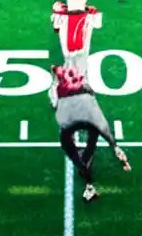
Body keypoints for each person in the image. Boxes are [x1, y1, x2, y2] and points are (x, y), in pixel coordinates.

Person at [50, 65, 131, 203]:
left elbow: (55, 106)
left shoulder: (56, 91)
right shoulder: (85, 88)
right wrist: (114, 146)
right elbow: (101, 124)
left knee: (70, 148)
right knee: (94, 133)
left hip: (69, 120)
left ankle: (87, 179)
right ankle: (88, 176)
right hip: (87, 117)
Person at [51, 0, 100, 71]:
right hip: (82, 50)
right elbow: (98, 23)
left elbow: (56, 28)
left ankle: (68, 73)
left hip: (68, 51)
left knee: (70, 63)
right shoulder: (89, 16)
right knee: (81, 66)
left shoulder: (61, 16)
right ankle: (75, 75)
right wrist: (88, 8)